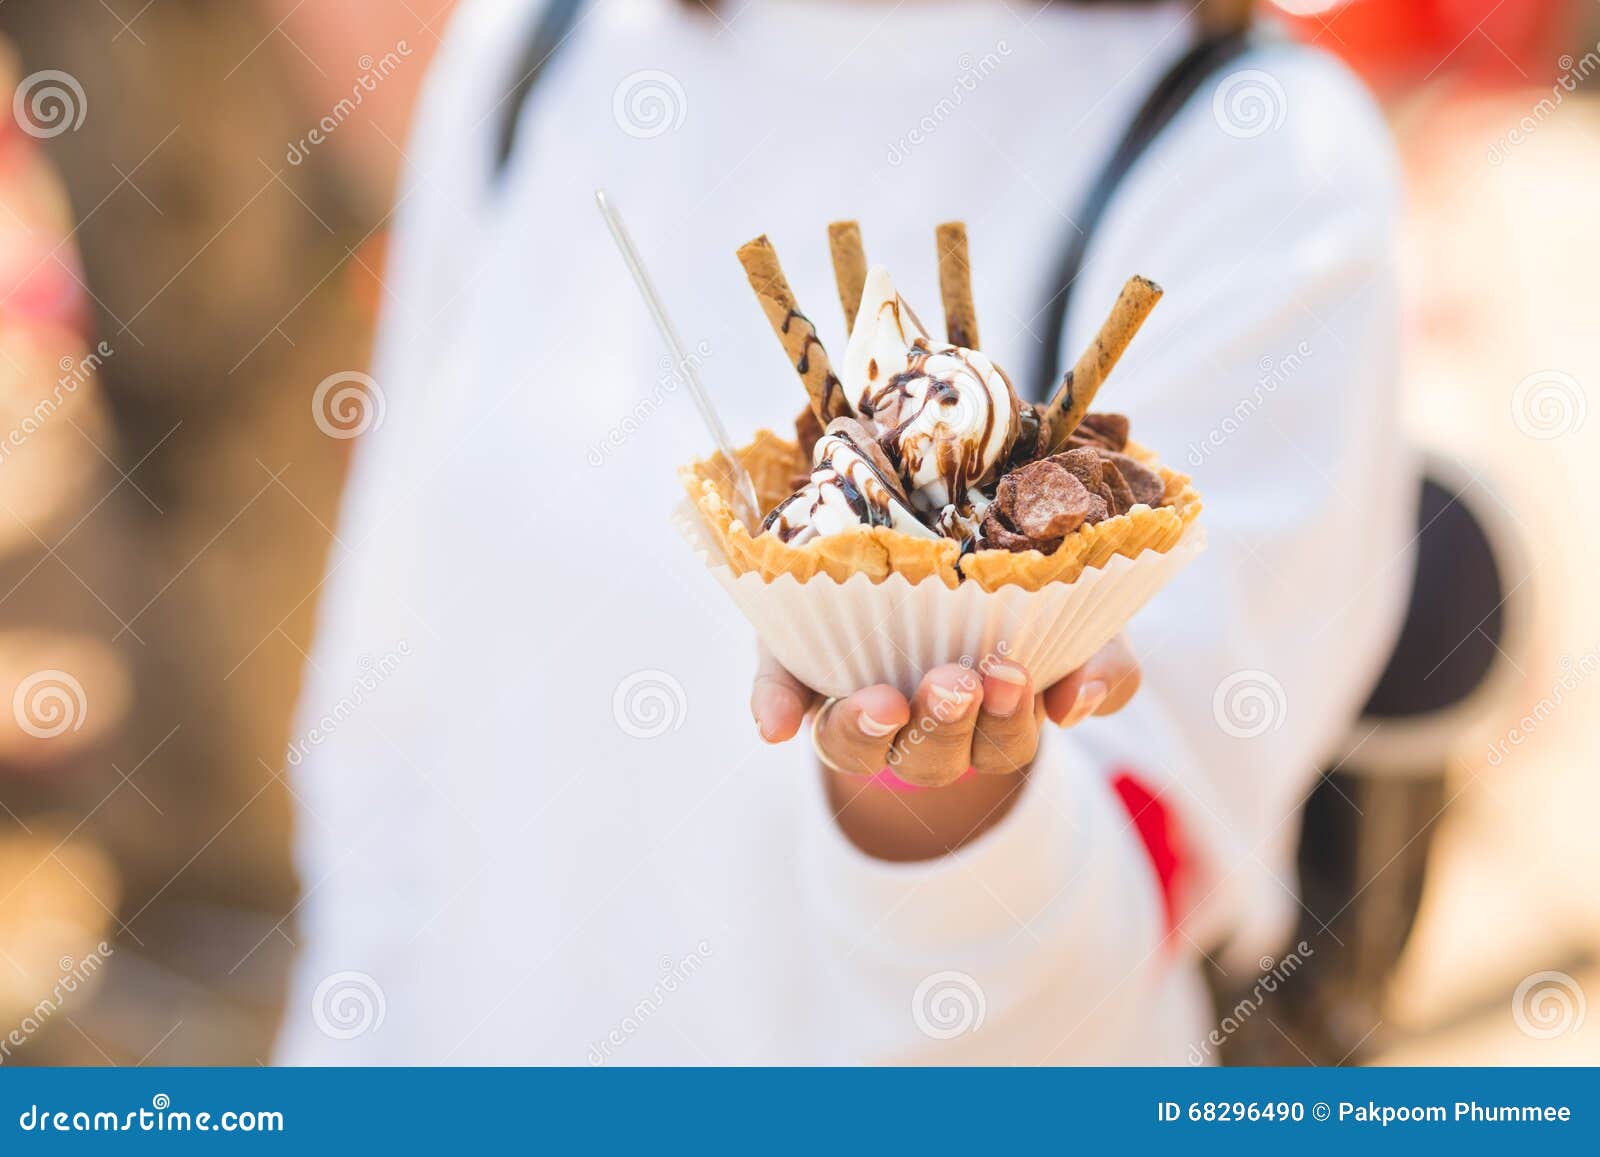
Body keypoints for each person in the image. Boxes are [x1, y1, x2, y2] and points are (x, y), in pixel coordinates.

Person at [276, 0, 1411, 1064]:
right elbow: (383, 711)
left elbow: (1099, 960)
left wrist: (945, 797)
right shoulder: (546, 41)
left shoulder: (1251, 152)